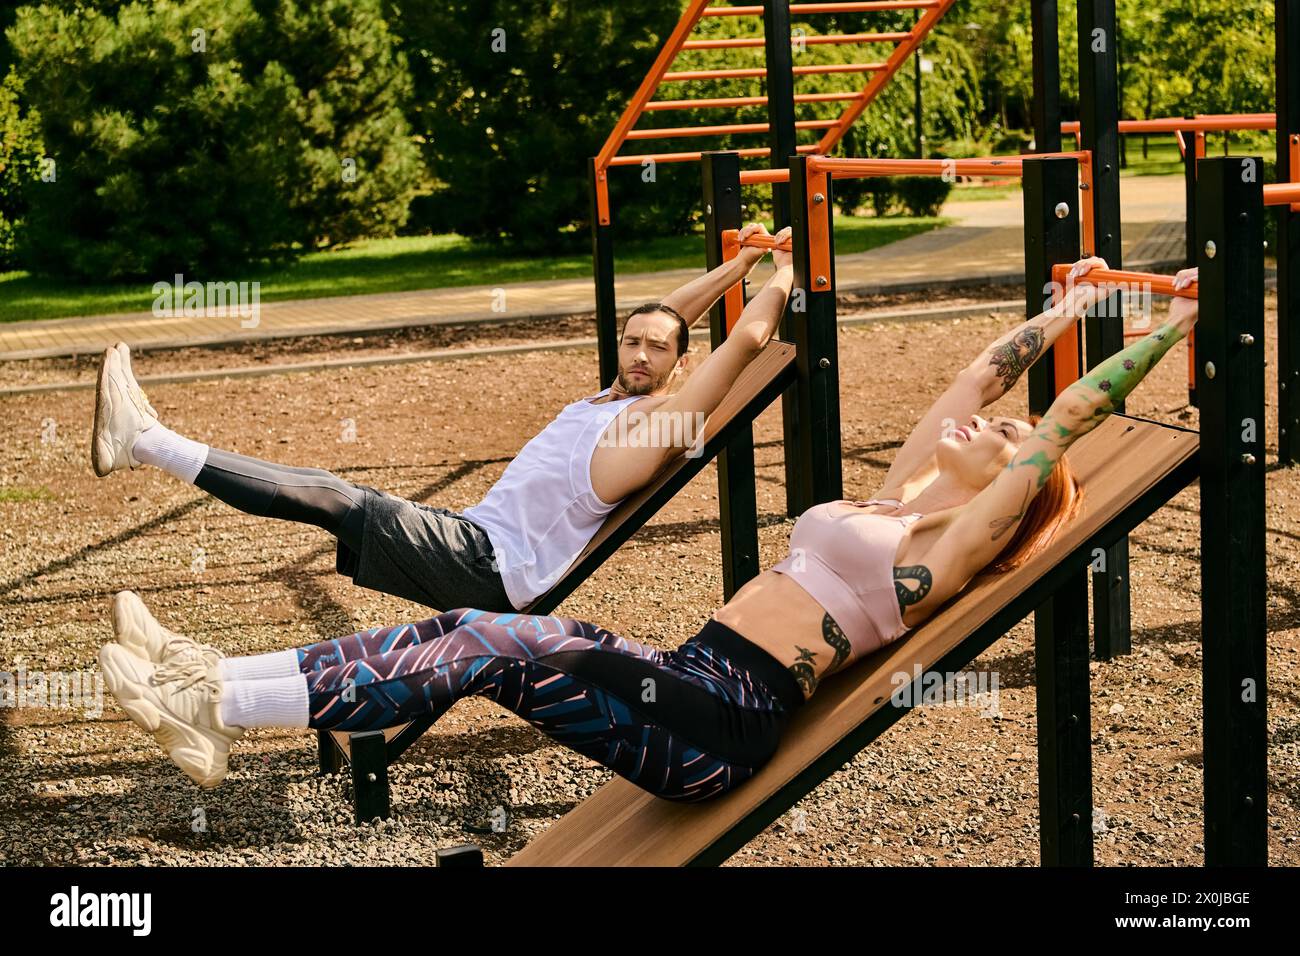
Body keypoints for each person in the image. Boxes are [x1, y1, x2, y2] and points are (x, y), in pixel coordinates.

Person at [97, 258, 1199, 802]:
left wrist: (1171, 317)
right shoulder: (900, 498)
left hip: (724, 721)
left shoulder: (945, 548)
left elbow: (1064, 418)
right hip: (687, 676)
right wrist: (1069, 303)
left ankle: (207, 697)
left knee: (487, 635)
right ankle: (208, 693)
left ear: (1011, 481)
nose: (978, 415)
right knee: (476, 635)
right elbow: (985, 371)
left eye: (996, 431)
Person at [90, 223, 790, 613]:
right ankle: (145, 440)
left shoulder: (655, 426)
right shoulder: (617, 395)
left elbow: (746, 342)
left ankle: (145, 441)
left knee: (333, 496)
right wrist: (742, 262)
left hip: (489, 569)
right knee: (330, 491)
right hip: (474, 540)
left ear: (680, 364)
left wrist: (788, 269)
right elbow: (671, 317)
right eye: (630, 341)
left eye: (654, 350)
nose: (638, 352)